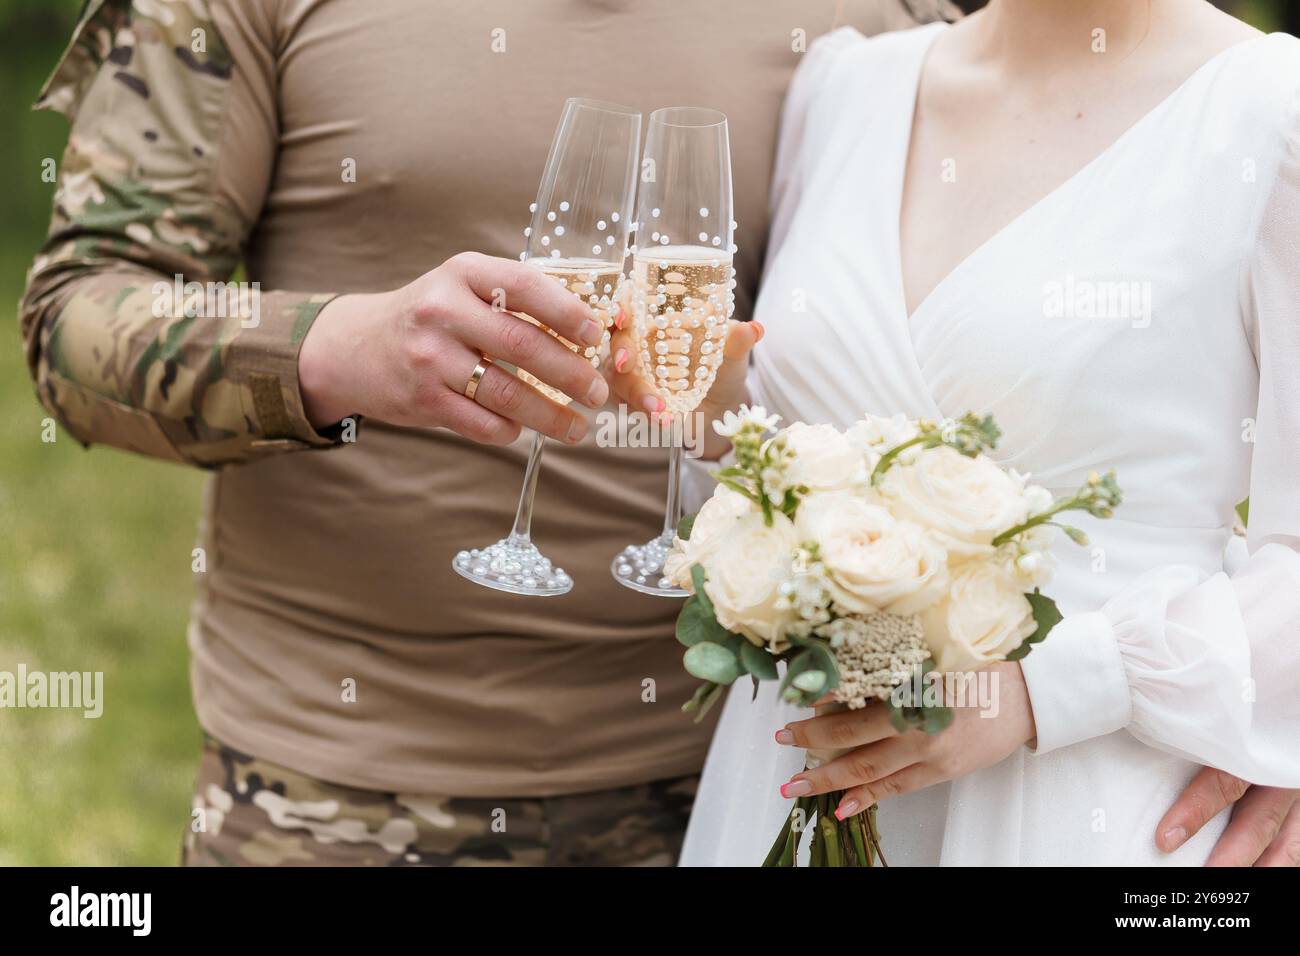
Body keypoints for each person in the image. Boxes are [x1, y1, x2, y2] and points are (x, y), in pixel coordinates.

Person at [19, 0, 948, 865]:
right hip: (334, 790)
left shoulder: (891, 22)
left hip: (739, 774)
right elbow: (74, 324)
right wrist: (337, 349)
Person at [612, 0, 1300, 864]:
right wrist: (712, 423)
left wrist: (1051, 692)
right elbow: (764, 474)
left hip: (1087, 800)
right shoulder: (844, 87)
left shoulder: (1274, 111)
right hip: (789, 776)